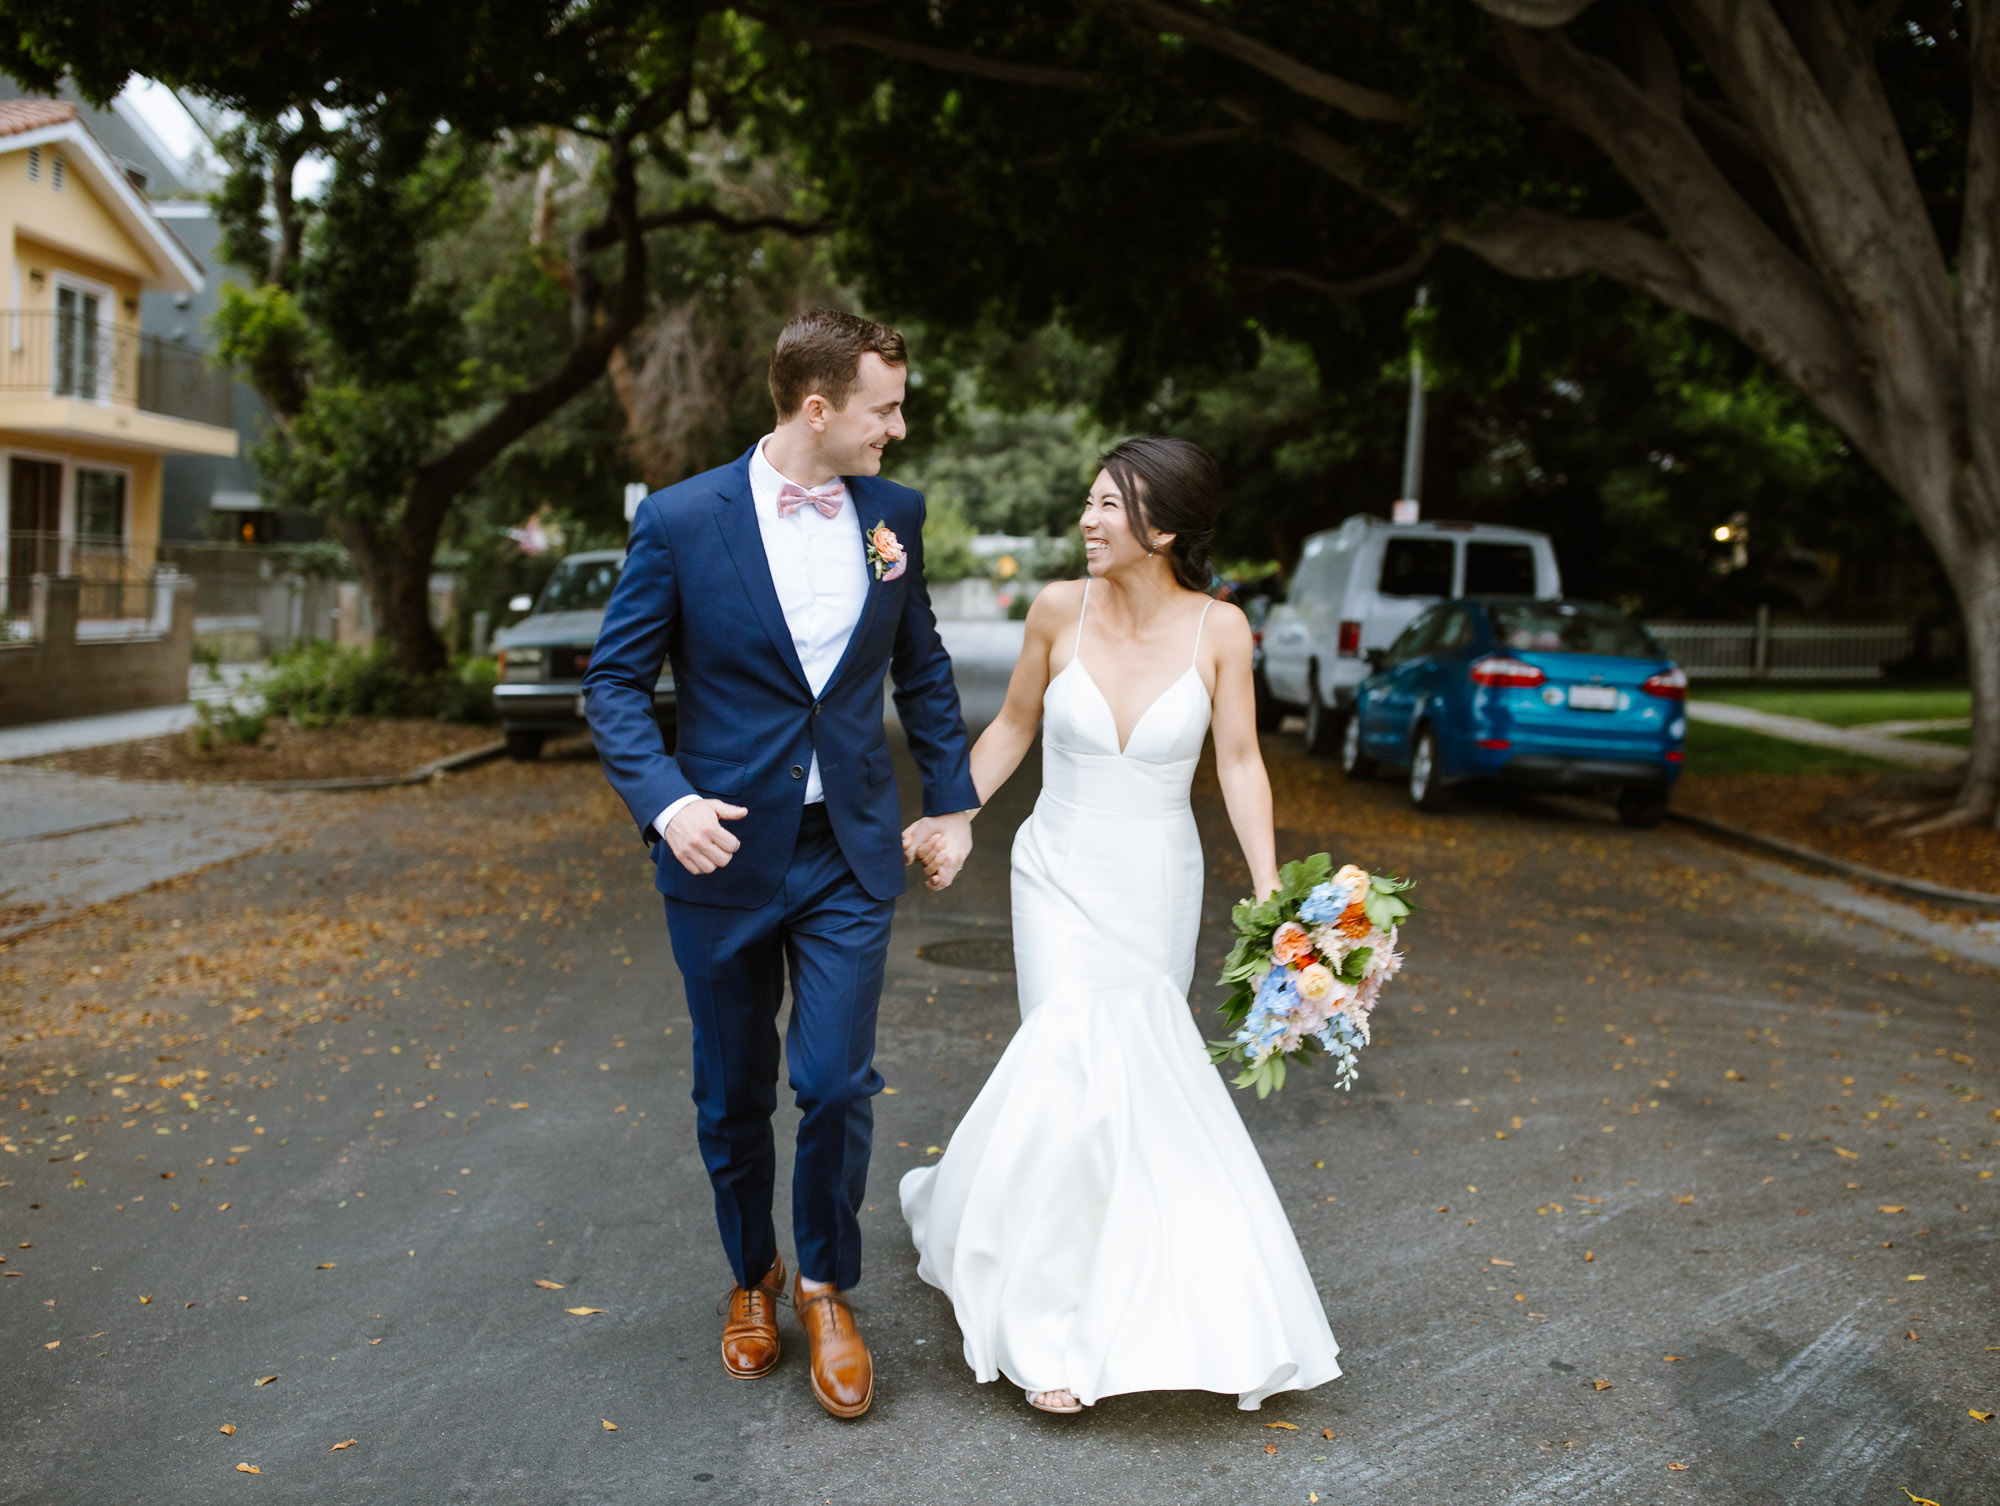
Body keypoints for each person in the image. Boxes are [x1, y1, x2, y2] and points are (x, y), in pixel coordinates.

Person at [583, 310, 980, 1420]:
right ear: (819, 409)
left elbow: (923, 667)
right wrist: (664, 806)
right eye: (883, 409)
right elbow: (612, 686)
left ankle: (824, 1286)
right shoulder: (680, 520)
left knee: (837, 1081)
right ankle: (749, 1280)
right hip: (717, 854)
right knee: (732, 1094)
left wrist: (950, 804)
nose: (897, 430)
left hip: (848, 850)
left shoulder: (890, 517)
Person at [900, 437, 1341, 1415]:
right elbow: (1012, 725)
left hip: (1155, 880)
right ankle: (1048, 1331)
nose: (1088, 520)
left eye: (1111, 505)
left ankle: (1142, 1293)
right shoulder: (1058, 609)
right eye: (1089, 501)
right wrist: (951, 812)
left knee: (1135, 1080)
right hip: (1056, 871)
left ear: (1166, 527)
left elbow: (1237, 763)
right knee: (1069, 1069)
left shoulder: (1220, 629)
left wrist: (1274, 903)